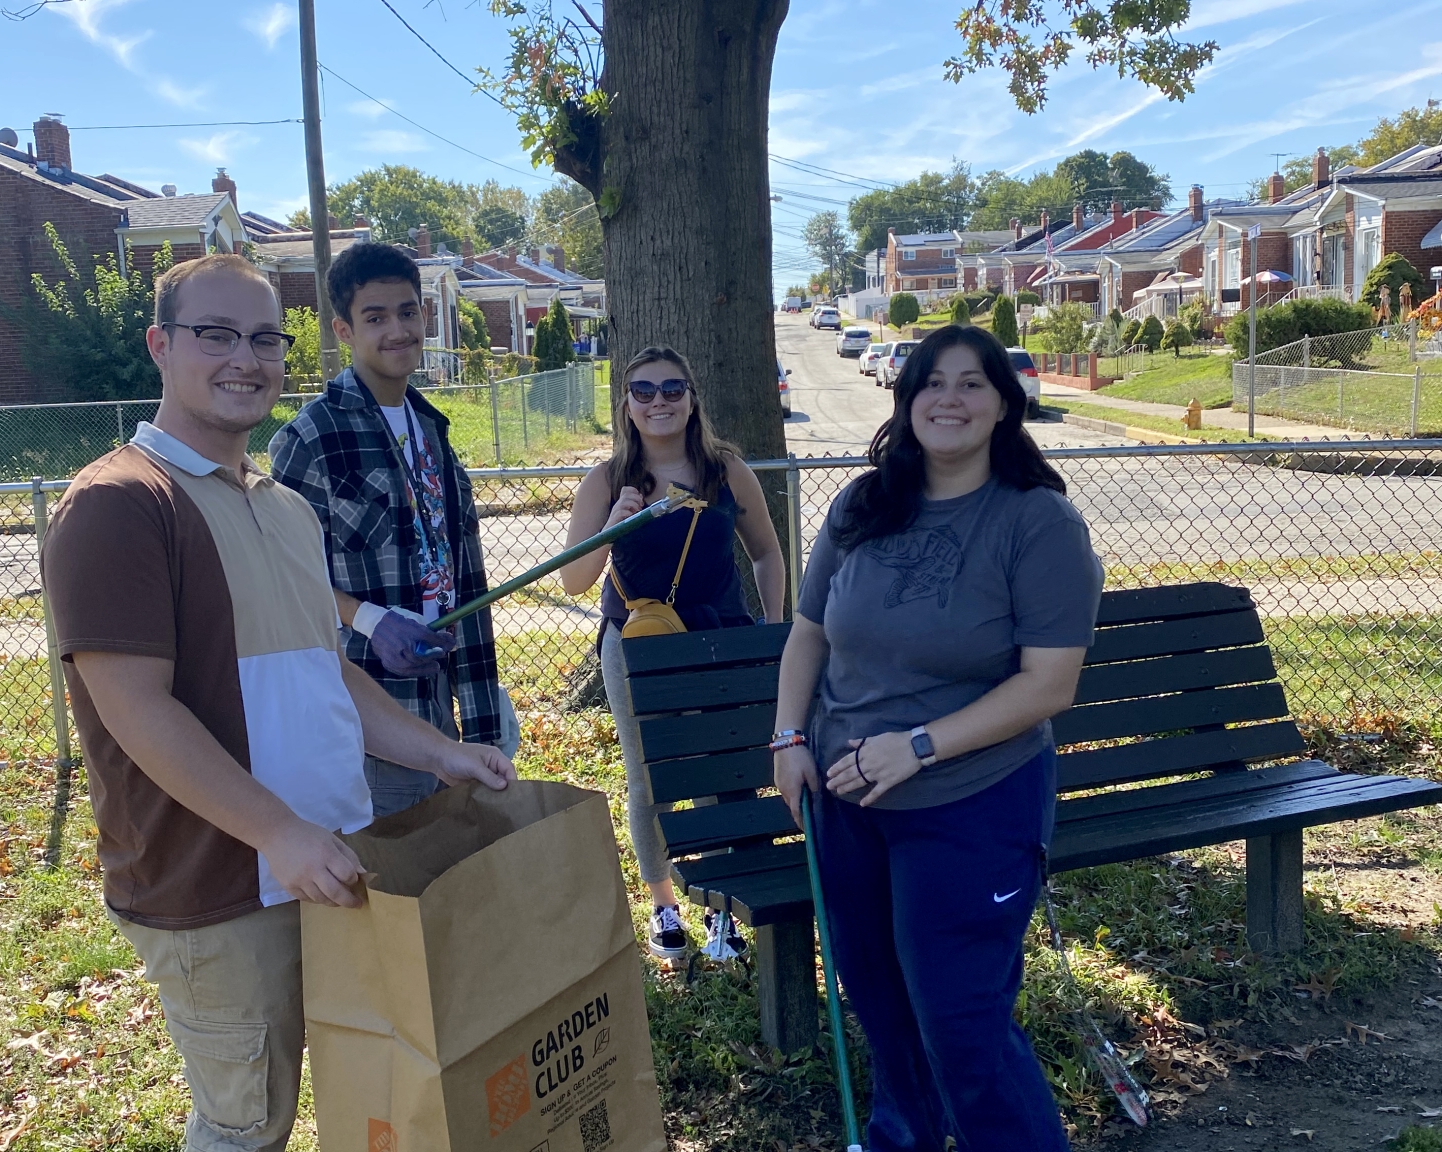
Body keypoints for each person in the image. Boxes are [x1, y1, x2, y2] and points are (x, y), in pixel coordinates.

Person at [42, 253, 515, 1152]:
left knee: (362, 1098)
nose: (244, 359)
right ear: (161, 345)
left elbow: (326, 677)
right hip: (220, 887)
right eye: (215, 335)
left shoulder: (285, 507)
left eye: (264, 339)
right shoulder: (119, 503)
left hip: (332, 860)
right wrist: (278, 833)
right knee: (246, 1126)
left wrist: (441, 753)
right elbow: (136, 711)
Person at [771, 324, 1102, 1151]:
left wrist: (917, 746)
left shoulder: (1036, 521)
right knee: (882, 1009)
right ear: (906, 399)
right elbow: (809, 632)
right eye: (931, 382)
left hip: (970, 805)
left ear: (1003, 406)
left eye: (971, 384)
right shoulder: (863, 504)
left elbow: (1049, 685)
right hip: (847, 801)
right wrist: (787, 738)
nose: (948, 399)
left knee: (961, 1024)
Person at [560, 346, 785, 962]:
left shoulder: (726, 471)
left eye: (671, 388)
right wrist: (613, 523)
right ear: (627, 406)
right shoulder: (606, 481)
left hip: (720, 639)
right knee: (649, 779)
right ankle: (664, 906)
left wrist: (770, 629)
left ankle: (722, 907)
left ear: (691, 399)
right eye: (643, 390)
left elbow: (767, 552)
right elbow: (574, 581)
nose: (658, 400)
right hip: (636, 647)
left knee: (722, 772)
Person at [271, 242, 511, 819]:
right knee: (389, 874)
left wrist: (483, 719)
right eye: (375, 318)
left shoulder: (432, 429)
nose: (397, 330)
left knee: (459, 866)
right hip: (367, 726)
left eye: (407, 312)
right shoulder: (311, 439)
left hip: (443, 708)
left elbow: (462, 576)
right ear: (344, 331)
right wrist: (370, 621)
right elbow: (281, 579)